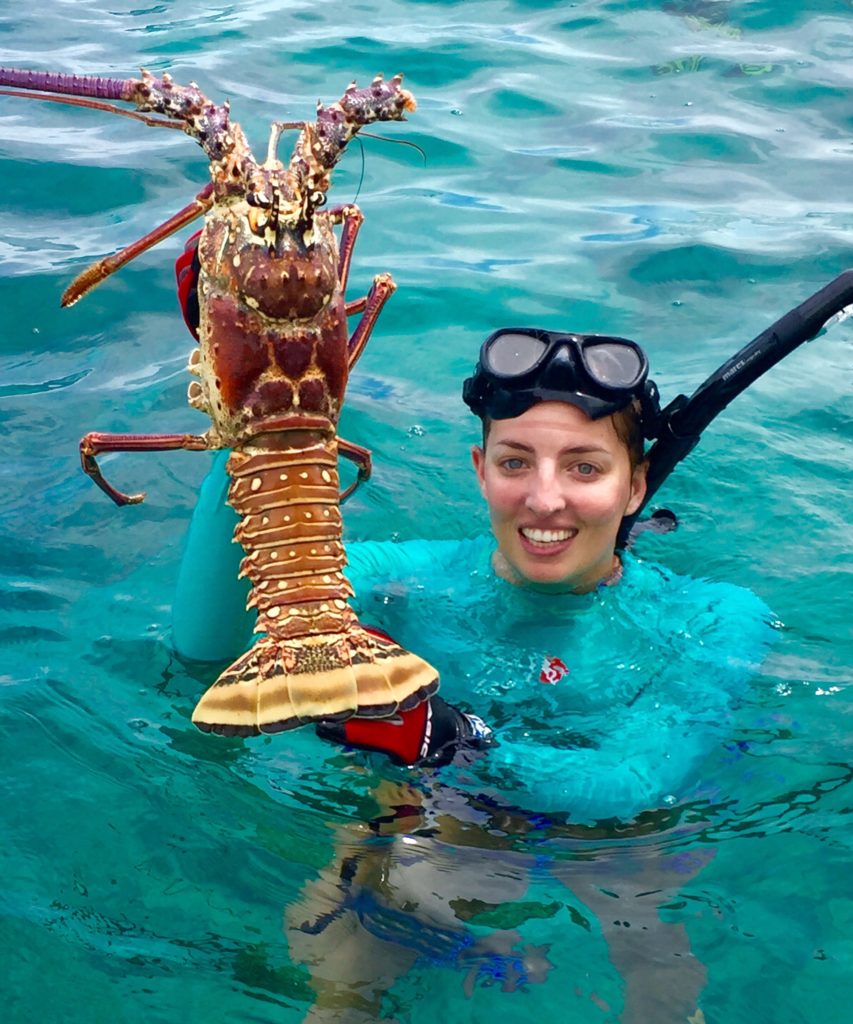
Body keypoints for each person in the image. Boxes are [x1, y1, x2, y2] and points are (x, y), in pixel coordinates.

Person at [171, 254, 774, 1020]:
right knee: (343, 962)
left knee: (657, 976)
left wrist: (444, 739)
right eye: (516, 462)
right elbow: (210, 649)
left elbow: (634, 783)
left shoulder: (716, 617)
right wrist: (244, 422)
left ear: (636, 486)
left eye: (585, 468)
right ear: (479, 470)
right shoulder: (407, 579)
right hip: (440, 821)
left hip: (623, 843)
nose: (545, 499)